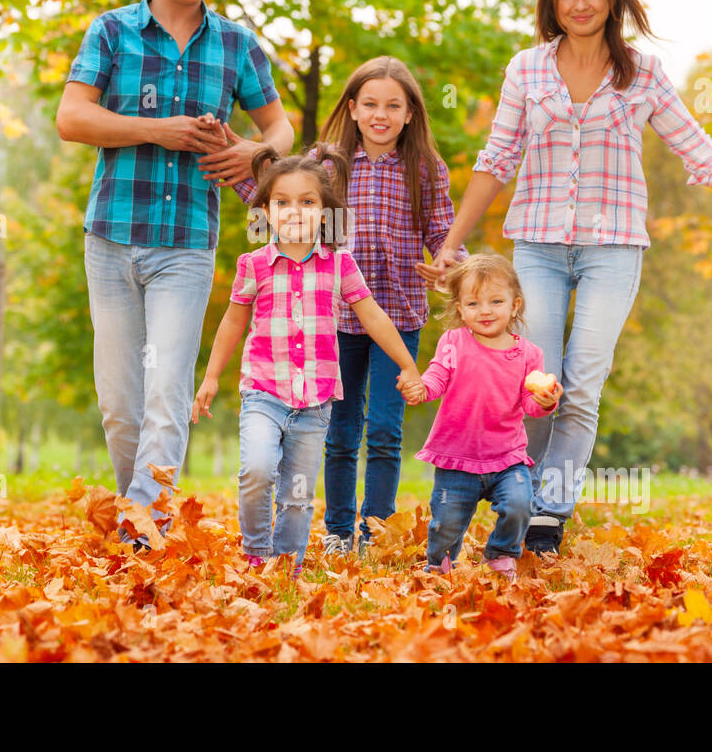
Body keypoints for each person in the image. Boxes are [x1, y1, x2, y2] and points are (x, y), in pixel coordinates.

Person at [418, 0, 712, 557]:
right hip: (538, 243)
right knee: (535, 382)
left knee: (582, 386)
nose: (579, 3)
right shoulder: (526, 70)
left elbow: (698, 149)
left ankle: (547, 519)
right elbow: (496, 159)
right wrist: (452, 243)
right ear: (551, 0)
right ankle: (512, 494)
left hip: (613, 248)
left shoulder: (643, 74)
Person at [56, 0, 294, 546]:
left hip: (187, 243)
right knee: (120, 403)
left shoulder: (236, 44)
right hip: (110, 237)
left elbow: (280, 126)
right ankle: (142, 511)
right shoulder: (111, 32)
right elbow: (72, 118)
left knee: (167, 391)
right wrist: (158, 130)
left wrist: (255, 151)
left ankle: (145, 525)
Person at [229, 57, 468, 554]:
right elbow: (278, 198)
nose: (381, 114)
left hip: (397, 313)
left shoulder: (425, 167)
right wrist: (233, 159)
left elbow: (442, 232)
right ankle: (338, 533)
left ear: (409, 114)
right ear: (354, 108)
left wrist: (451, 264)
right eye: (371, 104)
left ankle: (375, 534)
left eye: (393, 106)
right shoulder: (327, 162)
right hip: (332, 316)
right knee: (340, 429)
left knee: (384, 428)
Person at [191, 146, 425, 577]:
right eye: (282, 202)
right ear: (264, 210)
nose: (294, 211)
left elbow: (372, 315)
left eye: (307, 201)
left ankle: (286, 566)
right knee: (257, 469)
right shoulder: (253, 265)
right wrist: (209, 378)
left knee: (297, 495)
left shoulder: (339, 264)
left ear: (324, 212)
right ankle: (257, 553)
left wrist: (407, 365)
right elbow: (232, 322)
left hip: (316, 402)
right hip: (263, 389)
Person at [400, 254, 563, 577]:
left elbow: (529, 405)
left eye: (496, 301)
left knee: (520, 504)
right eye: (473, 304)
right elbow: (437, 376)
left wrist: (545, 402)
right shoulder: (454, 342)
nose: (485, 311)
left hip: (507, 456)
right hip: (456, 455)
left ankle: (501, 553)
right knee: (446, 520)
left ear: (514, 305)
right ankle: (440, 563)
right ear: (460, 309)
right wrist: (420, 388)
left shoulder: (529, 354)